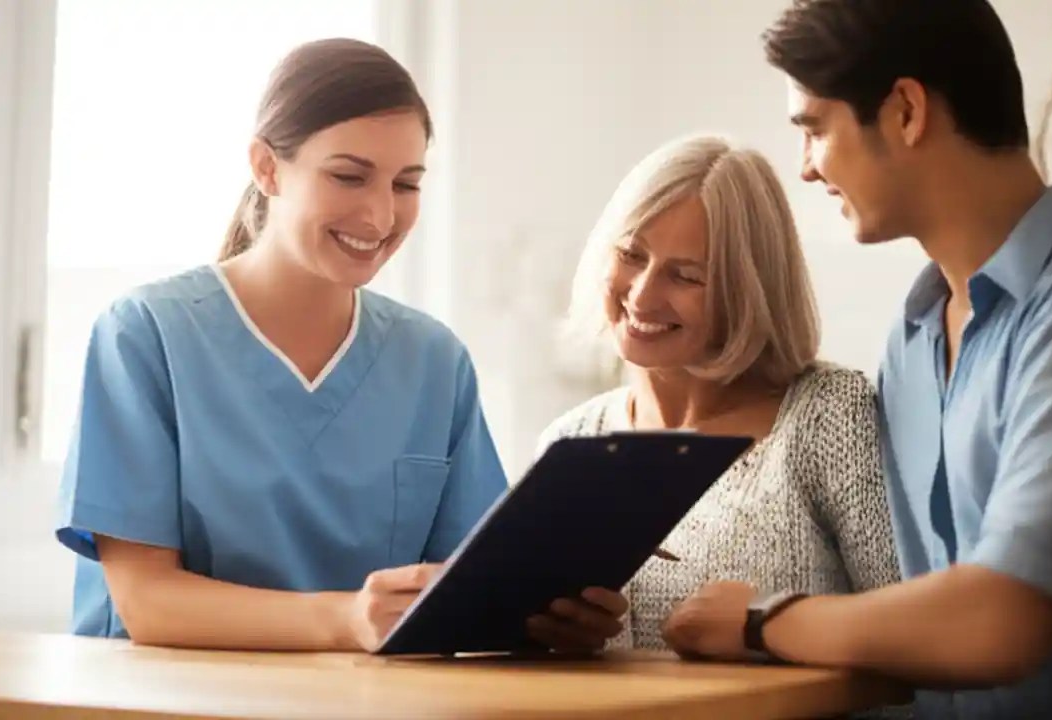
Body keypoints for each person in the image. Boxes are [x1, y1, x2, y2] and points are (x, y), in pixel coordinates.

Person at [55, 38, 626, 652]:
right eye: (349, 177)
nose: (380, 217)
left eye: (406, 185)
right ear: (267, 168)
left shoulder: (433, 362)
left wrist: (546, 618)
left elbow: (462, 591)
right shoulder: (146, 335)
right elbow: (148, 602)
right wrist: (347, 620)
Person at [661, 2, 1052, 718]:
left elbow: (1005, 620)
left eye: (814, 129)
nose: (806, 170)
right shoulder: (910, 343)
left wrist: (762, 621)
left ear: (906, 110)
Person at [539, 135, 901, 655]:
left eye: (685, 276)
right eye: (630, 255)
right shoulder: (569, 440)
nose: (641, 294)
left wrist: (764, 628)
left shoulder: (828, 415)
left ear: (748, 289)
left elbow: (912, 642)